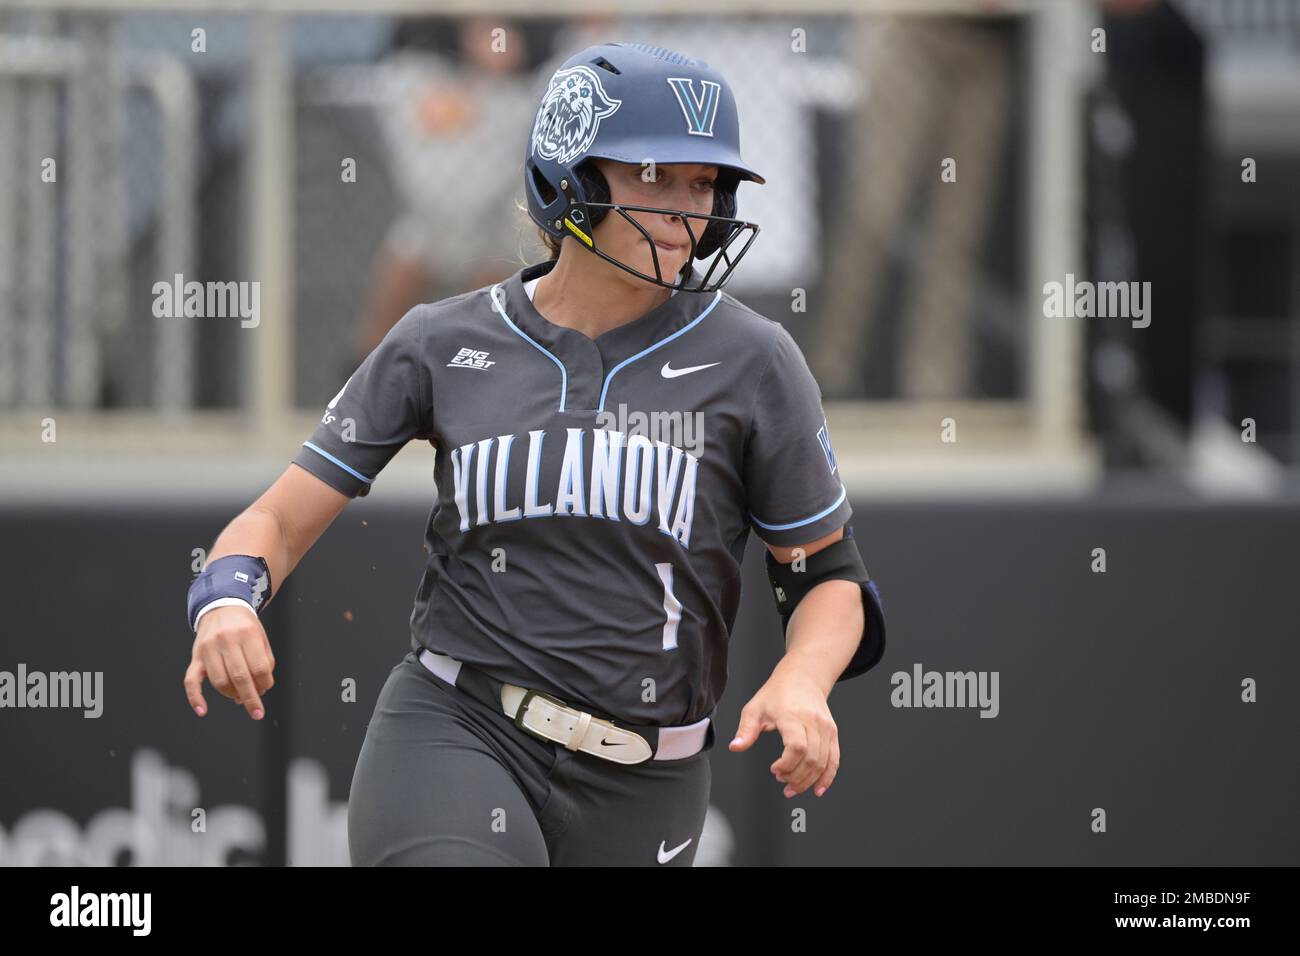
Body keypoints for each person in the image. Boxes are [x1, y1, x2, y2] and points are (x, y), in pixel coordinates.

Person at [183, 41, 886, 866]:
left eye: (703, 184)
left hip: (649, 779)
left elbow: (827, 579)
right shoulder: (443, 341)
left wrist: (805, 677)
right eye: (653, 175)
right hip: (458, 729)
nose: (686, 207)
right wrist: (226, 598)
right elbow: (274, 522)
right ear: (571, 179)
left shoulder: (754, 359)